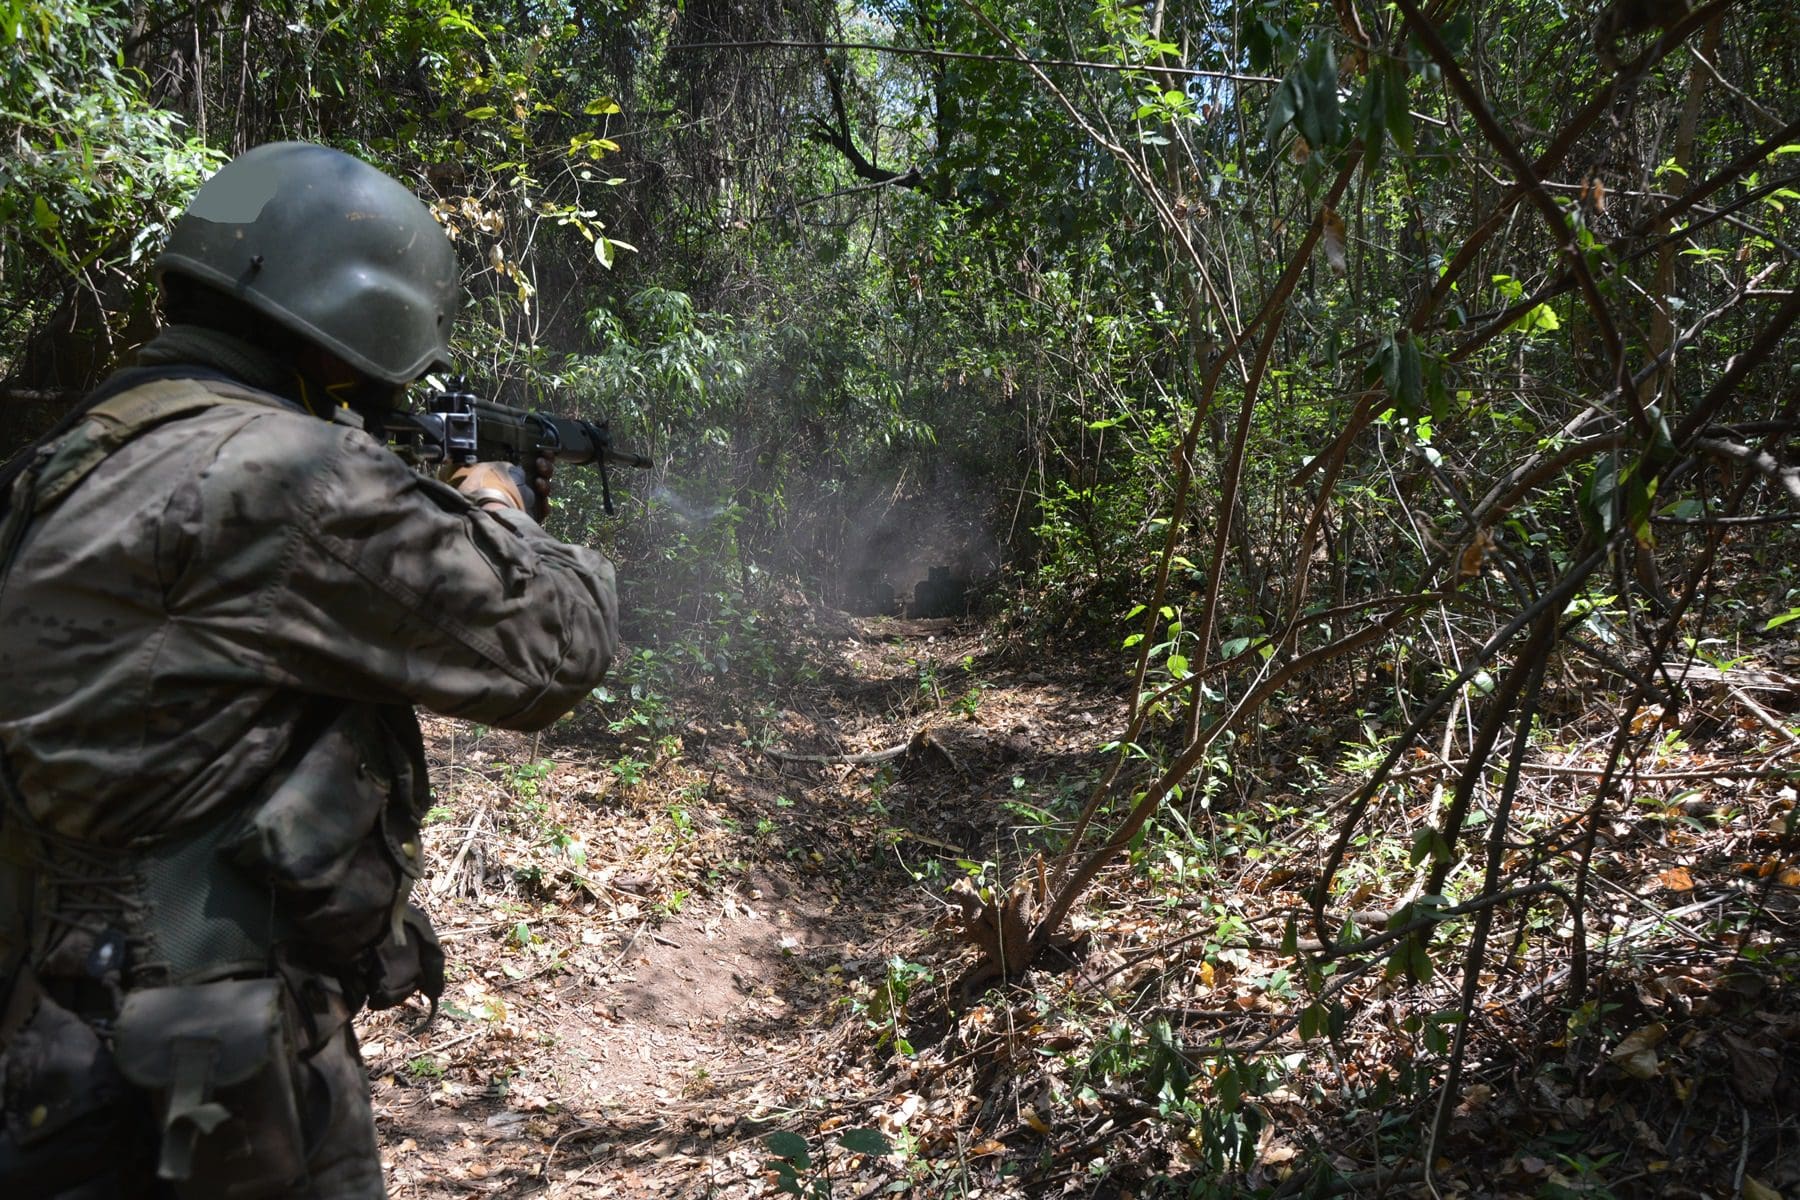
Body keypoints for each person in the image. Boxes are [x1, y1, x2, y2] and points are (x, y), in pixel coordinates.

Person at [0, 142, 619, 1198]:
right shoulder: (283, 471)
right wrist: (499, 503)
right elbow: (556, 642)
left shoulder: (78, 452)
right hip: (195, 1064)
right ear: (357, 316)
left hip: (47, 1031)